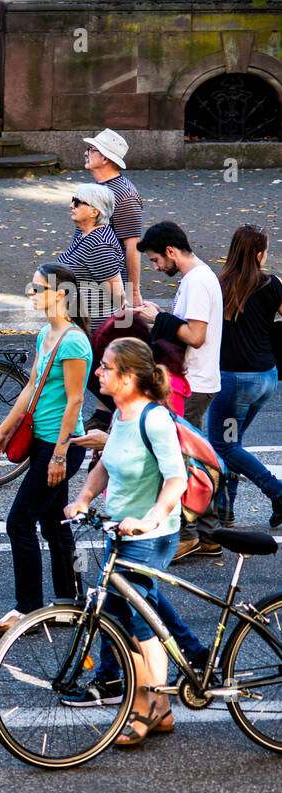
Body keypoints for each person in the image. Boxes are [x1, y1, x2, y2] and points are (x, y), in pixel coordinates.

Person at [62, 339, 188, 744]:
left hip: (151, 535)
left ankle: (146, 705)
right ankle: (161, 709)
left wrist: (149, 518)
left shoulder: (155, 419)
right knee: (118, 617)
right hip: (120, 531)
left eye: (105, 367)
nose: (98, 372)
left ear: (128, 377)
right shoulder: (121, 414)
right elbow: (108, 466)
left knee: (139, 622)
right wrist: (82, 498)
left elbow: (176, 479)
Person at [0, 265, 90, 634]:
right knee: (54, 522)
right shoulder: (47, 332)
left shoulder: (74, 341)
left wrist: (59, 455)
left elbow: (75, 402)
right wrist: (3, 430)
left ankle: (27, 609)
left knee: (19, 522)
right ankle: (71, 602)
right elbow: (31, 387)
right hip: (42, 442)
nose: (30, 293)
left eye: (37, 288)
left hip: (61, 446)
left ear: (60, 294)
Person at [134, 221, 223, 561]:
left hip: (193, 383)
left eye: (156, 260)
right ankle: (209, 533)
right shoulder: (197, 278)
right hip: (197, 379)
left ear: (171, 251)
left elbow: (195, 335)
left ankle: (190, 534)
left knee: (182, 460)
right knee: (194, 456)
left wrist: (159, 319)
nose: (156, 267)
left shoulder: (198, 281)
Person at [208, 224, 282, 528]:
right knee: (232, 443)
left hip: (234, 381)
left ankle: (276, 490)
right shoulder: (273, 284)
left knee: (225, 445)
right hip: (267, 377)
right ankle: (224, 512)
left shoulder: (219, 284)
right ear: (260, 253)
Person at [53, 182, 124, 333]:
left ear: (94, 212)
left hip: (94, 329)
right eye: (73, 200)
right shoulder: (84, 234)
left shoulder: (100, 244)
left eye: (78, 203)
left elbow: (118, 294)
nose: (72, 205)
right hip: (78, 323)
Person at [82, 129, 143, 305]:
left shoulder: (124, 195)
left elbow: (133, 246)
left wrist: (133, 292)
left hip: (109, 289)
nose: (86, 153)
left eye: (91, 149)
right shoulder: (100, 187)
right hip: (91, 283)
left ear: (105, 159)